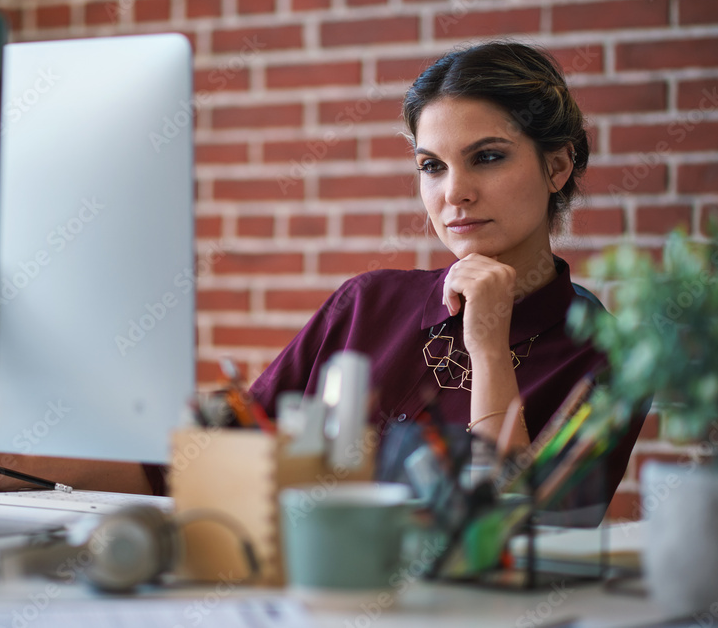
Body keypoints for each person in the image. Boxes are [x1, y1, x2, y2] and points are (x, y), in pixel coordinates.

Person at [248, 41, 647, 515]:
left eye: (488, 157)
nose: (455, 192)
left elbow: (526, 535)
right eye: (432, 166)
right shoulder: (363, 304)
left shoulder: (610, 361)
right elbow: (232, 452)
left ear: (557, 166)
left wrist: (490, 352)